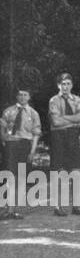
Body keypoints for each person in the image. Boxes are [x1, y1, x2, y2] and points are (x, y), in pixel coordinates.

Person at [47, 72, 80, 216]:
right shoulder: (53, 101)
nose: (65, 87)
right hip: (58, 137)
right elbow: (55, 122)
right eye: (63, 84)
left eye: (68, 84)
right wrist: (73, 120)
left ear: (72, 85)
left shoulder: (78, 100)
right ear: (59, 85)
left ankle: (76, 206)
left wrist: (64, 118)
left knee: (75, 171)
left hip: (73, 137)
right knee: (57, 171)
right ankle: (58, 207)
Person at [0, 89, 41, 220]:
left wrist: (33, 151)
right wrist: (4, 140)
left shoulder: (33, 113)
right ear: (17, 96)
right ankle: (7, 209)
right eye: (20, 95)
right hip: (11, 145)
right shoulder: (8, 111)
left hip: (25, 145)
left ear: (29, 97)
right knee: (9, 175)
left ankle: (15, 209)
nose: (23, 97)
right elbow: (2, 129)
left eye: (25, 95)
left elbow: (36, 134)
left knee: (20, 177)